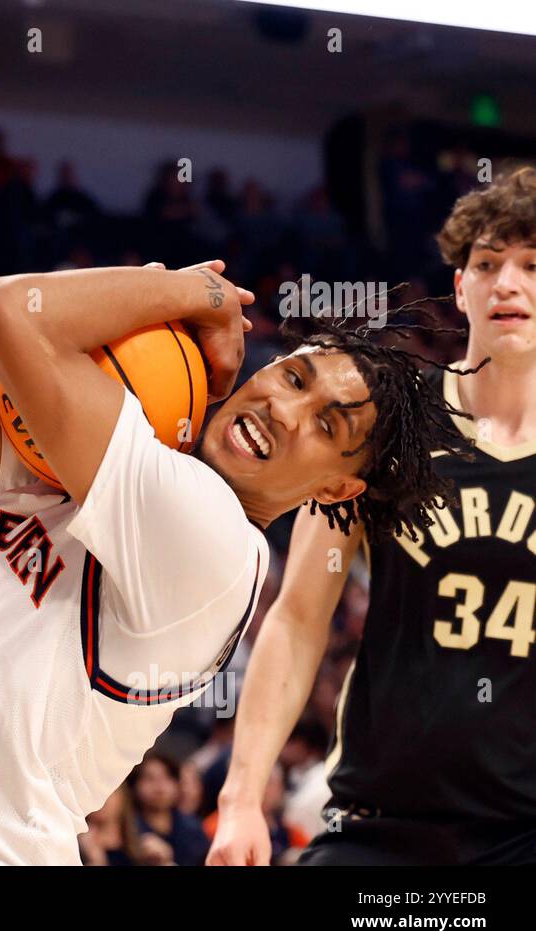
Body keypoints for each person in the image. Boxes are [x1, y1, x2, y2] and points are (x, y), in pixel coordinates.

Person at [0, 259, 469, 865]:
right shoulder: (121, 479)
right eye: (295, 378)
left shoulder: (205, 529)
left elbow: (6, 307)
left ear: (336, 490)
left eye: (328, 428)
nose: (285, 409)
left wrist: (200, 295)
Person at [209, 167, 536, 866]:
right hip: (380, 825)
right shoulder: (388, 424)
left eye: (532, 265)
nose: (508, 283)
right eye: (487, 264)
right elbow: (298, 616)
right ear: (461, 287)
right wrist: (242, 797)